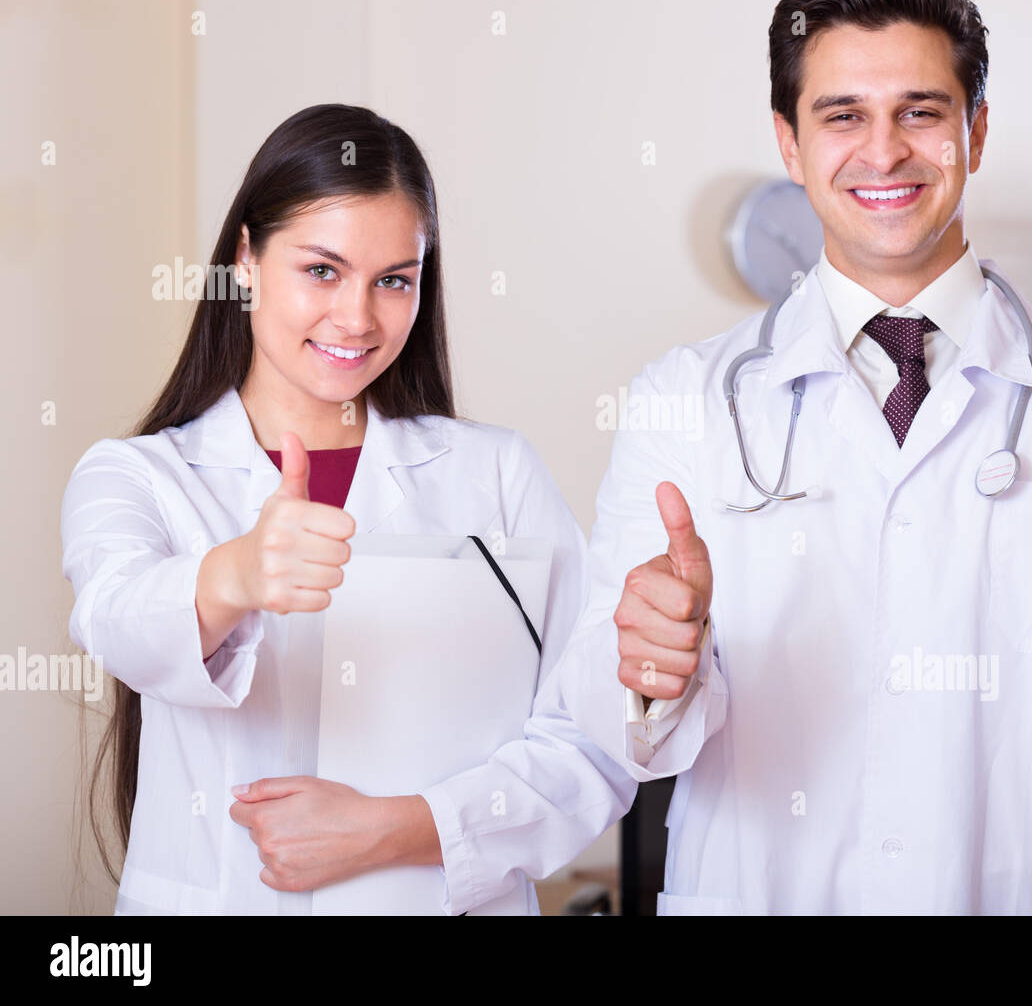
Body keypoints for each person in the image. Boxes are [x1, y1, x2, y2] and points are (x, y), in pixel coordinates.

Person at [556, 0, 1032, 915]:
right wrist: (646, 664)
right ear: (789, 144)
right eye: (842, 116)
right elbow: (601, 702)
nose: (883, 153)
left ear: (976, 129)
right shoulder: (683, 401)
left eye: (920, 112)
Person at [61, 103, 635, 915]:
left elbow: (594, 731)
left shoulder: (496, 472)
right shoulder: (137, 475)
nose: (358, 317)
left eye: (394, 279)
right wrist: (233, 575)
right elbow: (115, 620)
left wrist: (407, 828)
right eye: (322, 270)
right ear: (246, 261)